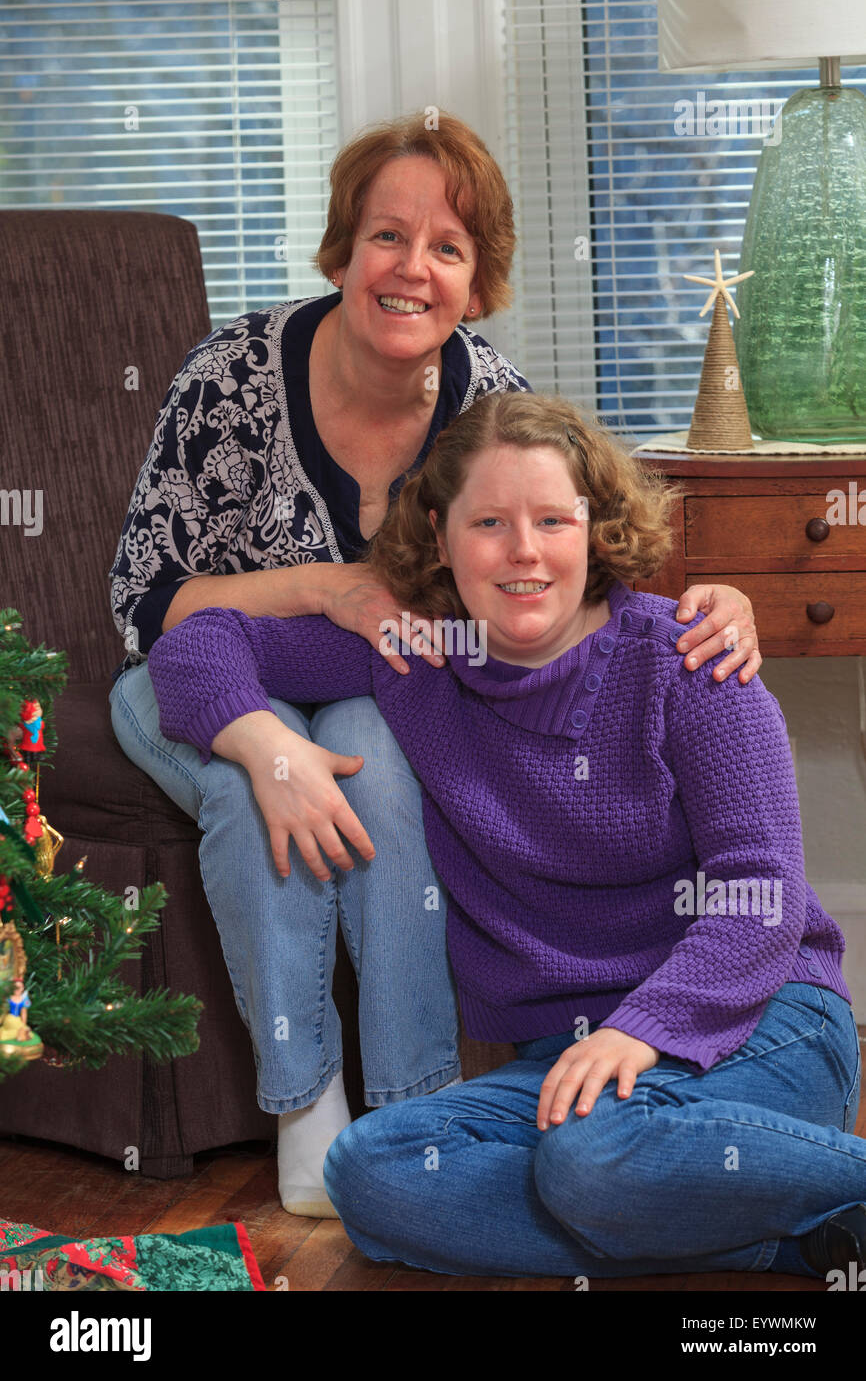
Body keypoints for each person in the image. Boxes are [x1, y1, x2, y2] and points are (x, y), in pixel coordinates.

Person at [108, 109, 761, 1221]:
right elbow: (148, 606)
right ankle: (304, 1105)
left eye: (446, 248)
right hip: (195, 668)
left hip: (376, 682)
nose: (411, 268)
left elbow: (555, 576)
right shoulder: (226, 378)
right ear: (340, 250)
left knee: (376, 771)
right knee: (248, 785)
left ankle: (414, 1103)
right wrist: (311, 627)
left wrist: (721, 597)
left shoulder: (485, 402)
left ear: (476, 279)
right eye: (385, 237)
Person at [145, 388, 864, 1283]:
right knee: (371, 1173)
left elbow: (762, 902)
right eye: (489, 522)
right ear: (441, 535)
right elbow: (193, 645)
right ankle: (792, 1237)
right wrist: (263, 744)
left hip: (756, 1024)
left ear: (594, 528)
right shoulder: (420, 653)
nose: (524, 553)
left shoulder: (691, 662)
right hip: (568, 1068)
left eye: (552, 520)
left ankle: (733, 1190)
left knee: (590, 1158)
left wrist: (642, 1029)